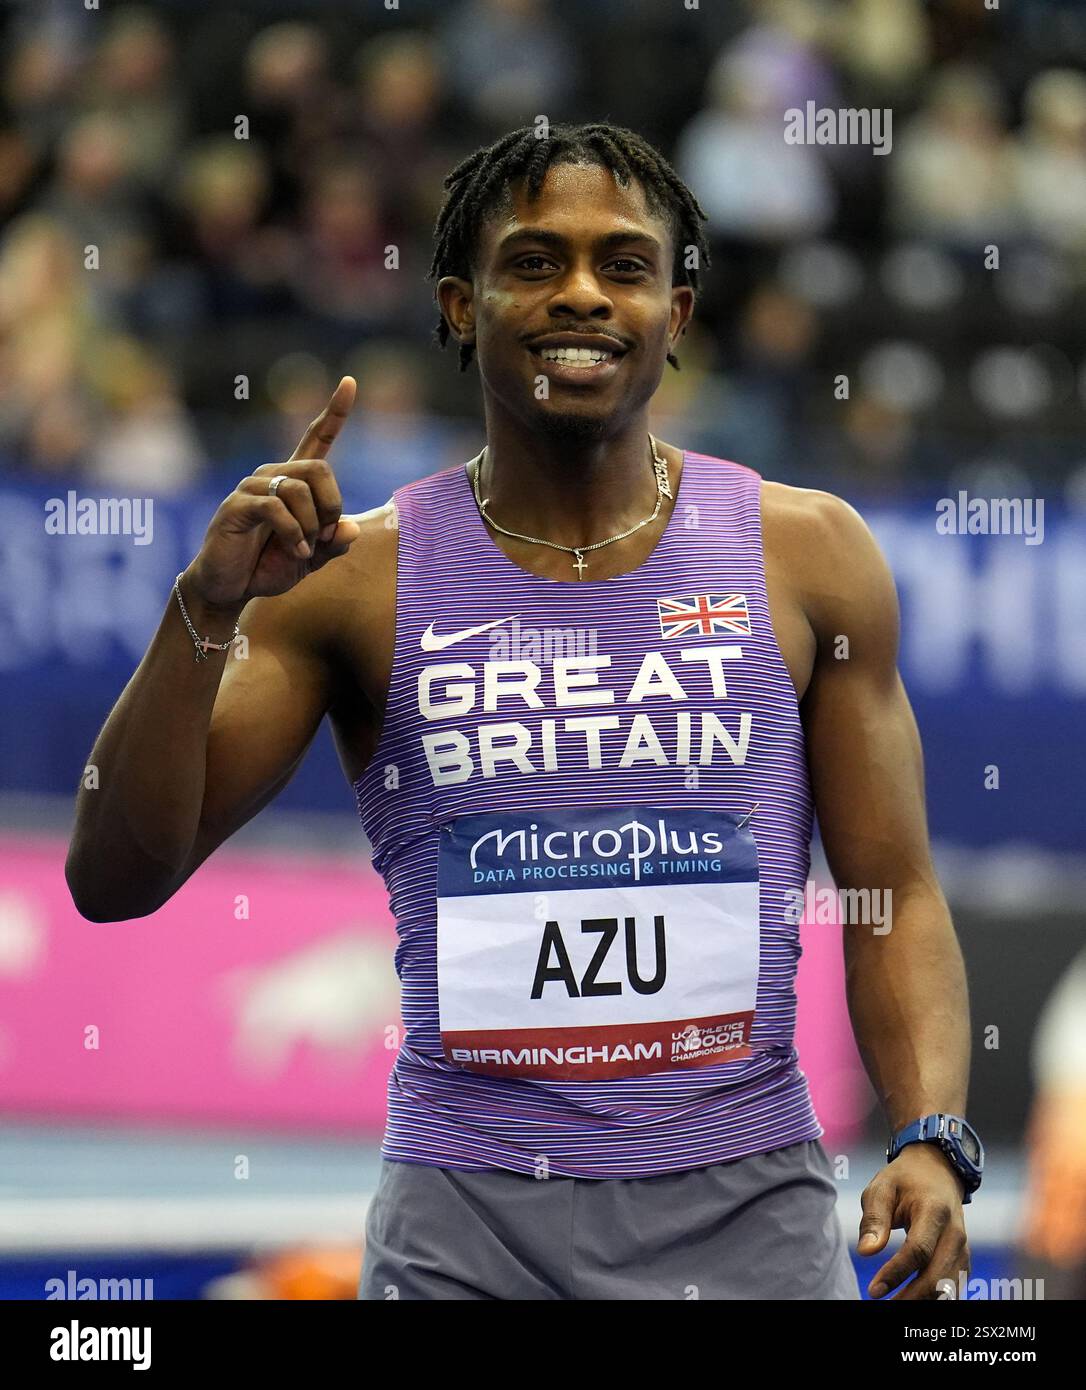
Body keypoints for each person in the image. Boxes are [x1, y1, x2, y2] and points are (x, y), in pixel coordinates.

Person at [66, 122, 980, 1301]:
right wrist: (203, 609)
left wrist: (930, 1131)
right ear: (460, 304)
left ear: (679, 314)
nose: (584, 295)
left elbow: (893, 889)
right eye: (536, 262)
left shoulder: (806, 556)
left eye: (626, 265)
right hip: (466, 1243)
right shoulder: (352, 576)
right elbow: (113, 877)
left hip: (750, 1230)